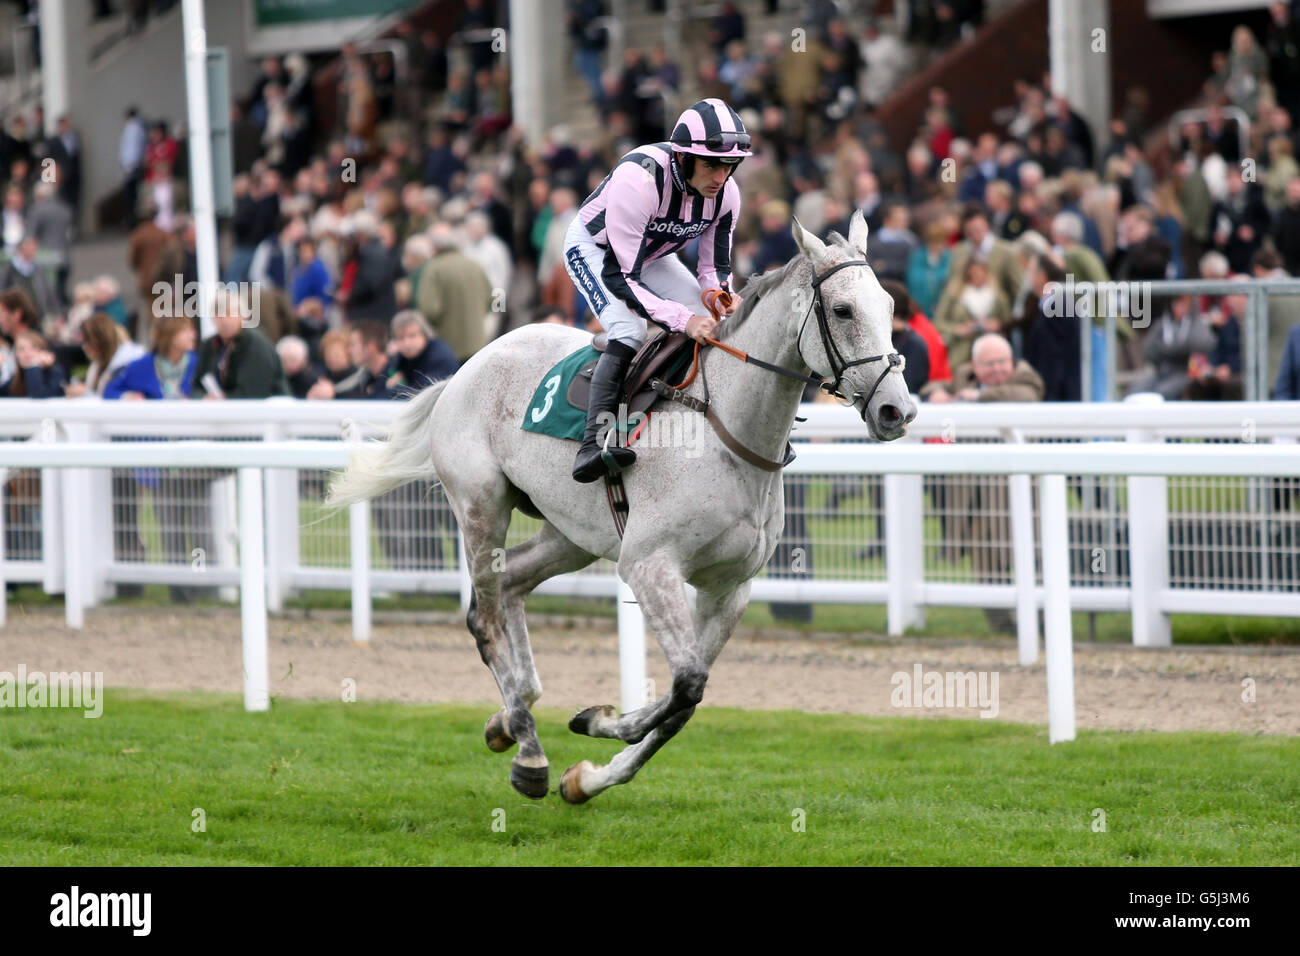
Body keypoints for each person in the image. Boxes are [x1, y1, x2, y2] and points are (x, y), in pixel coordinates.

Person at [564, 98, 751, 481]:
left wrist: (719, 296)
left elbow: (713, 267)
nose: (721, 176)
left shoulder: (727, 196)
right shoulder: (640, 181)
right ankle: (593, 442)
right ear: (683, 159)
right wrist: (684, 319)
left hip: (652, 255)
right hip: (598, 252)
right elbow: (622, 277)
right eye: (711, 164)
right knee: (629, 330)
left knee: (716, 324)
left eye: (729, 165)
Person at [192, 289, 290, 399]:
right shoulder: (209, 345)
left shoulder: (256, 346)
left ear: (243, 316)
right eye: (219, 315)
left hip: (265, 411)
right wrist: (204, 397)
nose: (224, 320)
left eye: (230, 314)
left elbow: (253, 393)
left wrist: (224, 399)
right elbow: (197, 385)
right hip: (220, 411)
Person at [65, 314, 146, 398]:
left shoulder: (127, 366)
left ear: (99, 341)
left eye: (87, 341)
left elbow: (118, 400)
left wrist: (86, 394)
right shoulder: (97, 365)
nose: (84, 347)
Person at [387, 310, 459, 393]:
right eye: (400, 338)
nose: (407, 343)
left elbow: (422, 394)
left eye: (412, 336)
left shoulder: (439, 358)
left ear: (425, 334)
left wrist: (396, 386)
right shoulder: (401, 357)